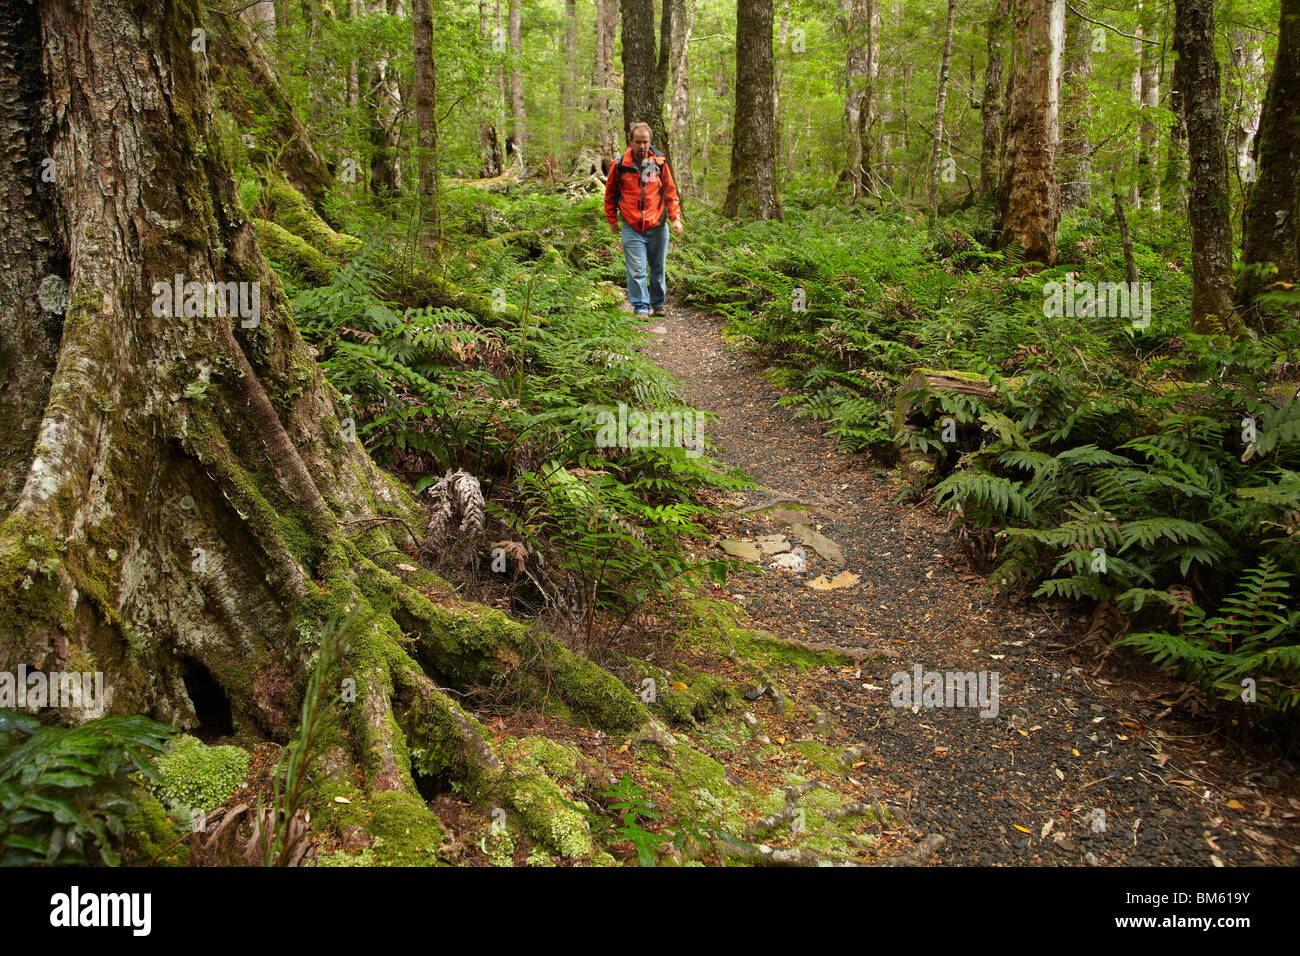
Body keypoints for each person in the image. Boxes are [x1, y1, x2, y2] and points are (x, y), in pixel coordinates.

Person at [604, 122, 684, 318]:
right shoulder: (620, 165)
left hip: (657, 224)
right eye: (638, 142)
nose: (642, 146)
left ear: (650, 142)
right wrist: (612, 218)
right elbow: (611, 193)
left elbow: (669, 191)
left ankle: (658, 304)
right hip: (631, 226)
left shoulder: (658, 163)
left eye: (645, 142)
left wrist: (675, 218)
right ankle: (640, 307)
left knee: (658, 267)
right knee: (636, 268)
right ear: (631, 141)